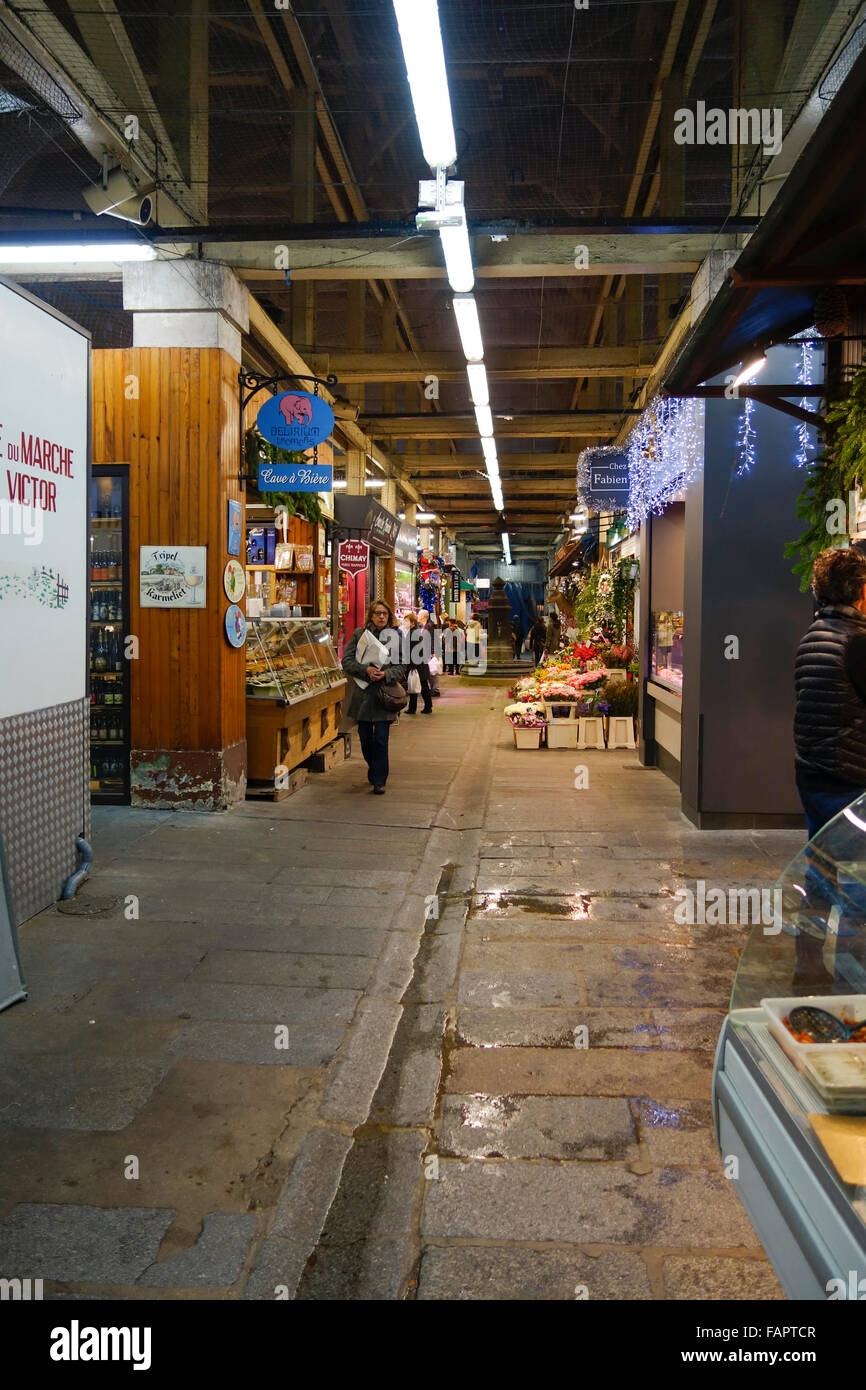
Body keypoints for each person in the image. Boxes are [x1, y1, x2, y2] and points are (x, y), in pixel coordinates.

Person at [794, 547, 866, 840]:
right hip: (848, 779)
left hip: (814, 772)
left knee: (825, 861)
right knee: (853, 872)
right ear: (861, 590)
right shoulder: (856, 643)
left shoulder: (814, 634)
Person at [341, 599, 407, 795]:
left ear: (389, 616)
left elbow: (402, 666)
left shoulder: (395, 637)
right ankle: (374, 768)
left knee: (381, 739)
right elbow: (347, 661)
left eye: (384, 614)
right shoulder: (360, 635)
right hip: (362, 696)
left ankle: (379, 779)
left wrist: (386, 674)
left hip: (383, 696)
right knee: (365, 739)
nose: (381, 616)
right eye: (377, 613)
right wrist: (365, 670)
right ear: (371, 615)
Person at [406, 611, 433, 715]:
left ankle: (420, 707)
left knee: (418, 685)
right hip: (419, 663)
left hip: (417, 663)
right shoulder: (415, 631)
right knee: (419, 685)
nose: (405, 623)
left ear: (412, 622)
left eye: (406, 621)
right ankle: (422, 707)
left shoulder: (414, 632)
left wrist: (412, 665)